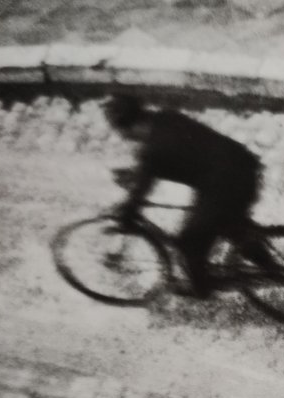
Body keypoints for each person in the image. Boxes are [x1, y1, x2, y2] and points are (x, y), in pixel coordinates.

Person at [104, 94, 264, 298]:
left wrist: (126, 214)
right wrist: (138, 174)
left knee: (189, 241)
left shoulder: (152, 151)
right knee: (231, 226)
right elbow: (179, 152)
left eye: (120, 131)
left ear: (125, 128)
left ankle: (201, 289)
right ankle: (275, 270)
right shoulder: (166, 118)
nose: (122, 136)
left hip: (224, 184)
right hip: (243, 166)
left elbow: (141, 190)